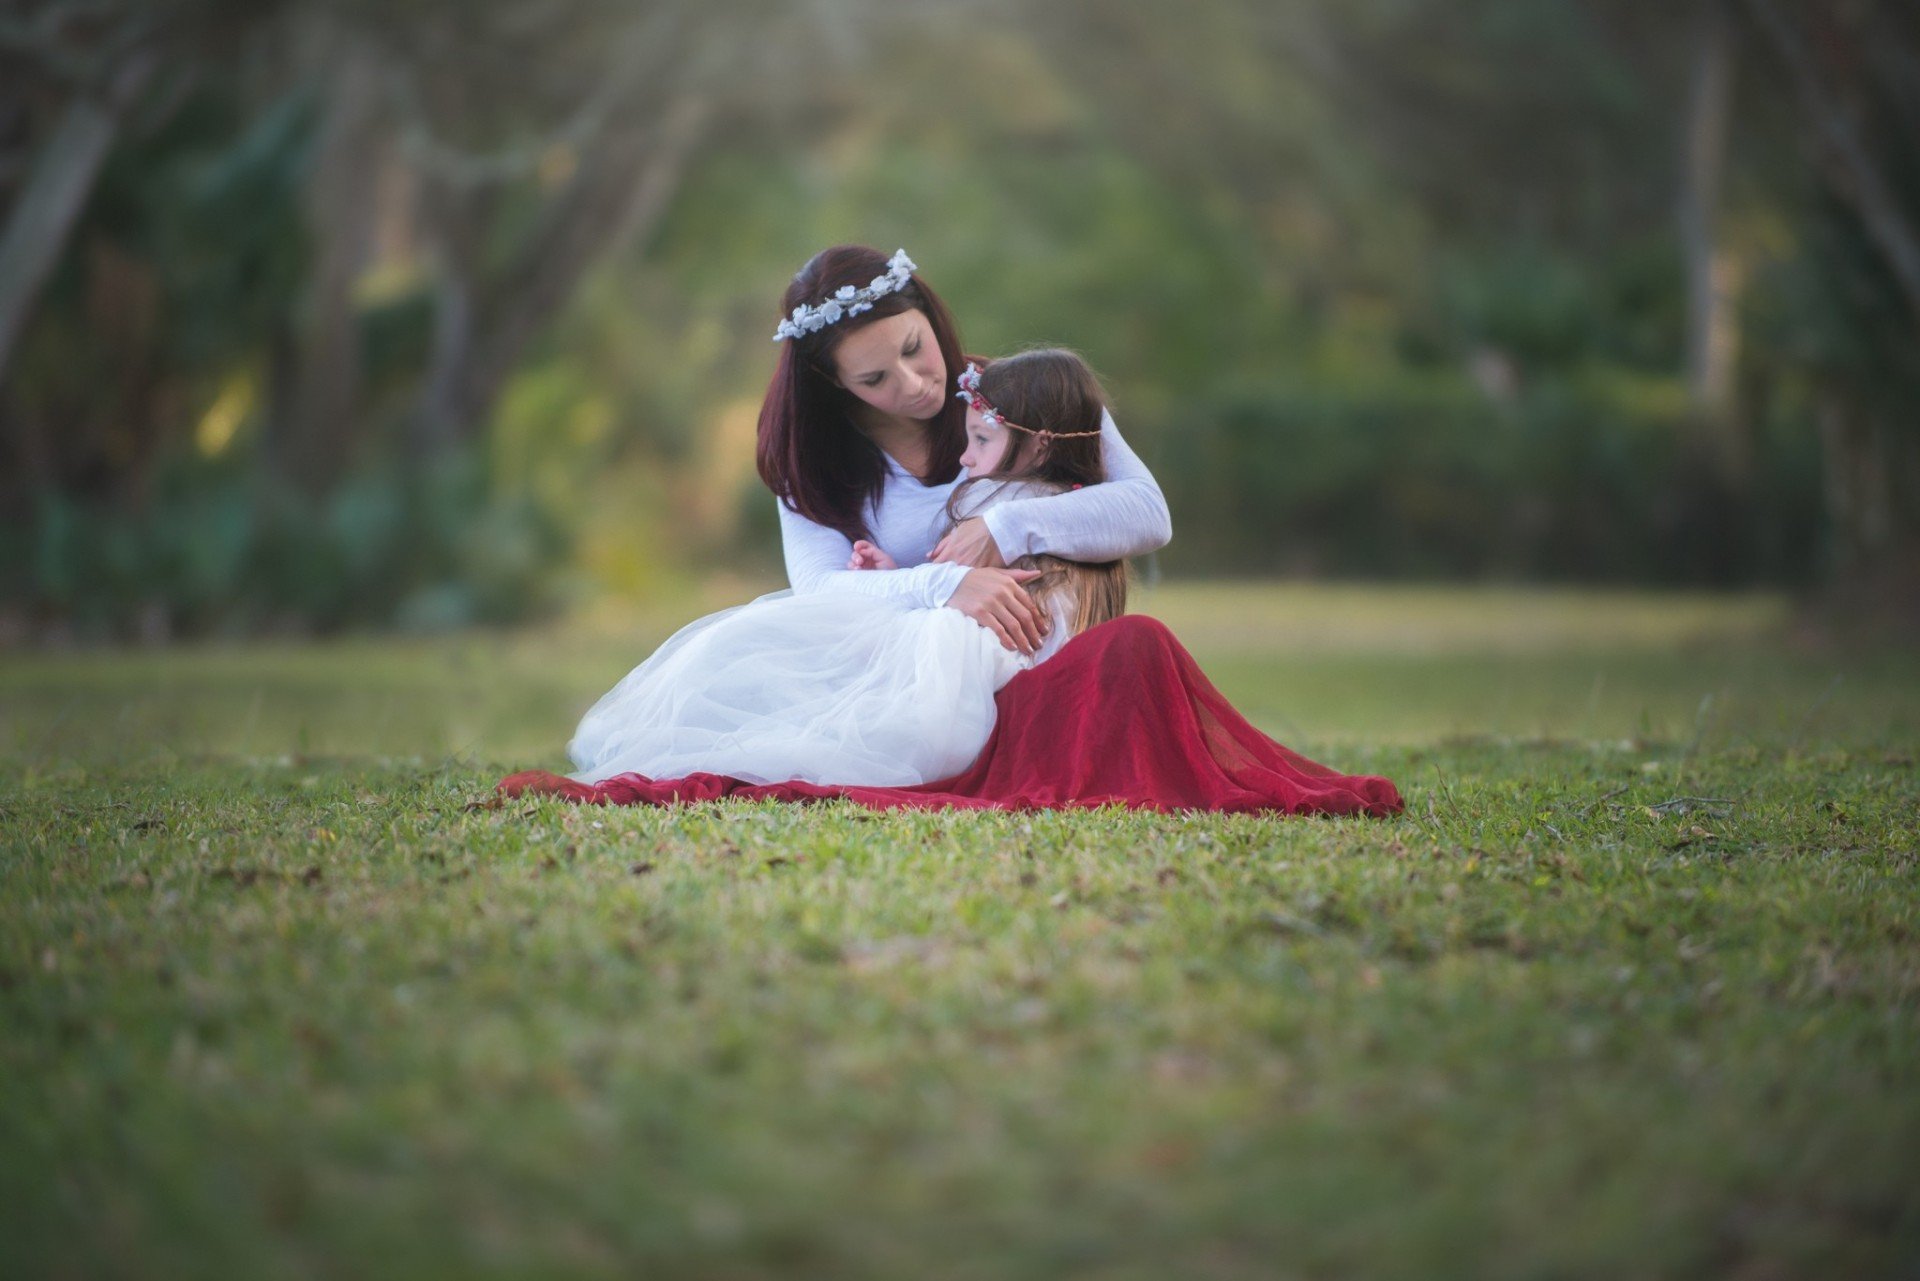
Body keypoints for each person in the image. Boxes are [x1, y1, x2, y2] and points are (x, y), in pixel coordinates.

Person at [565, 349, 1126, 788]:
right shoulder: (1035, 496)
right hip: (967, 633)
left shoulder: (1022, 504)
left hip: (979, 647)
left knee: (830, 685)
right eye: (874, 376)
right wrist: (894, 573)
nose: (964, 456)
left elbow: (1013, 612)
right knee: (812, 660)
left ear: (1039, 447)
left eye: (980, 439)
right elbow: (958, 579)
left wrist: (928, 586)